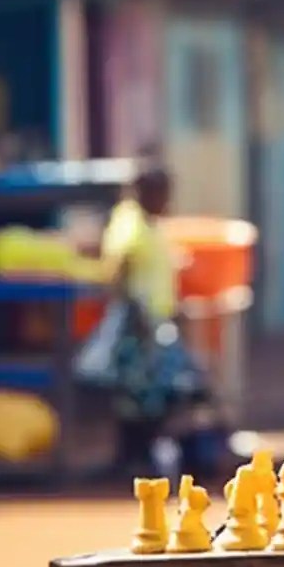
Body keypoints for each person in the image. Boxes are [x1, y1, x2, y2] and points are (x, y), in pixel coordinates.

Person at [100, 151, 210, 474]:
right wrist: (134, 314)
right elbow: (118, 270)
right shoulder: (130, 224)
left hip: (157, 321)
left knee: (152, 394)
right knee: (142, 394)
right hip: (139, 324)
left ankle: (141, 456)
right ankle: (133, 458)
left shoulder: (149, 224)